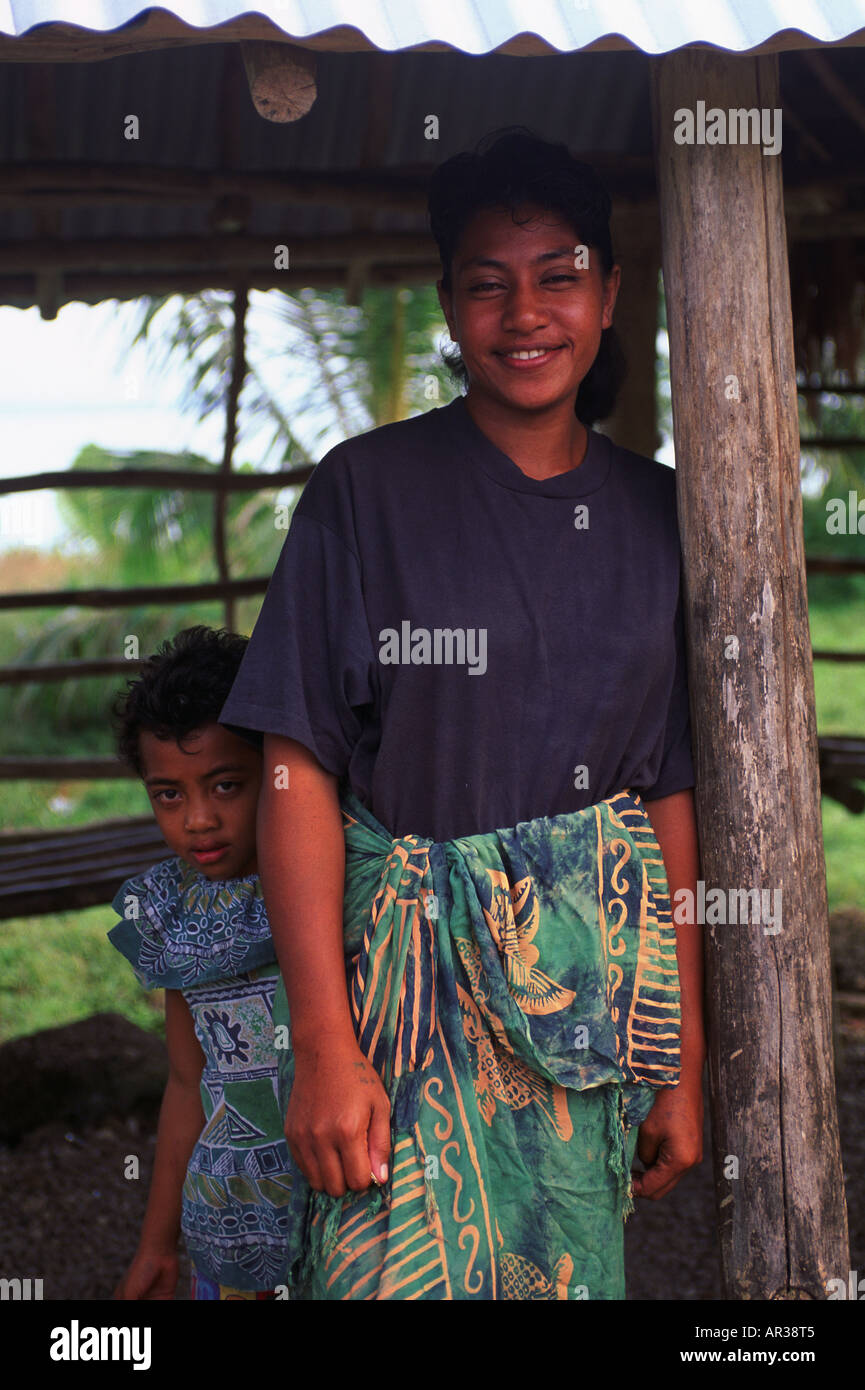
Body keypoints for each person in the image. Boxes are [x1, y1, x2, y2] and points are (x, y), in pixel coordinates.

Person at [220, 128, 704, 1300]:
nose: (524, 312)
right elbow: (297, 766)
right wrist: (326, 1048)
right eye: (487, 283)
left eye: (559, 275)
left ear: (609, 296)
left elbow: (669, 796)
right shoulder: (365, 492)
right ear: (447, 304)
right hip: (399, 1018)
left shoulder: (664, 516)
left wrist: (678, 1058)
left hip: (583, 1020)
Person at [108, 626, 296, 1300]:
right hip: (226, 1229)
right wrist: (157, 1246)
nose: (197, 821)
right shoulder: (171, 915)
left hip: (340, 1221)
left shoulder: (323, 888)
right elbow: (189, 1085)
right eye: (169, 794)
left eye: (225, 785)